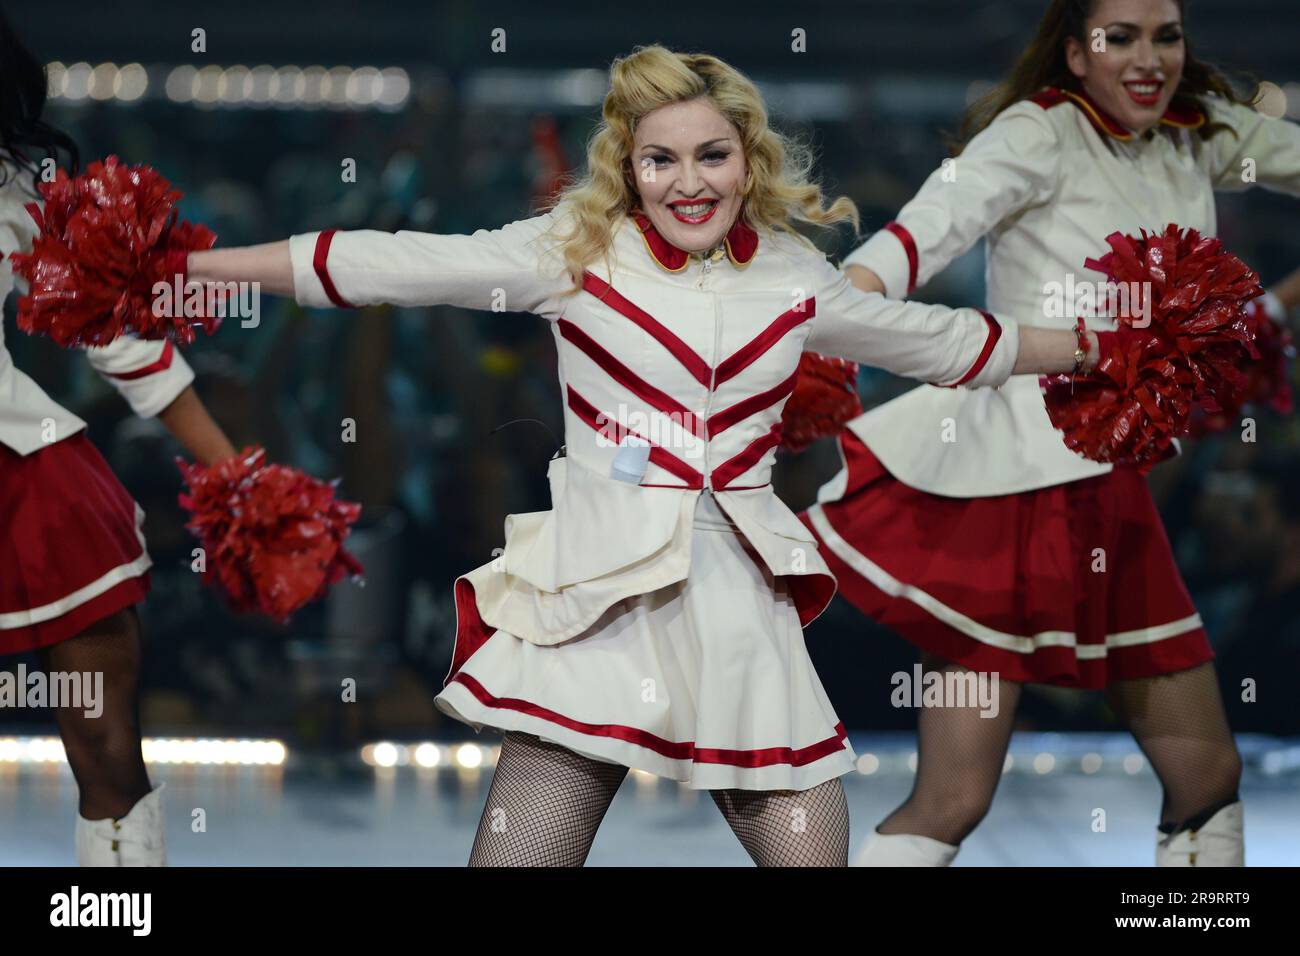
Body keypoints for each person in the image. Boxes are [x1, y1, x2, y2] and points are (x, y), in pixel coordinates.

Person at [185, 43, 1111, 867]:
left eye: (711, 154)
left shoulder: (794, 277)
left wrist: (1107, 349)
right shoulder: (570, 255)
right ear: (628, 170)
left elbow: (950, 343)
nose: (687, 181)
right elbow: (388, 264)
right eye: (659, 160)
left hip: (738, 605)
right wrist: (194, 269)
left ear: (748, 160)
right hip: (595, 605)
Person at [799, 0, 1299, 866]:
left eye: (1166, 35)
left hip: (1107, 488)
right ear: (1073, 53)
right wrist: (833, 323)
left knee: (1197, 779)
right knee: (964, 796)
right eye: (1120, 38)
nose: (1149, 58)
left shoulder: (1201, 133)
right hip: (1020, 487)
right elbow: (919, 237)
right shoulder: (1036, 133)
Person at [0, 9, 237, 865]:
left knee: (103, 750)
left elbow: (115, 333)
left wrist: (236, 477)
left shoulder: (14, 187)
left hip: (28, 487)